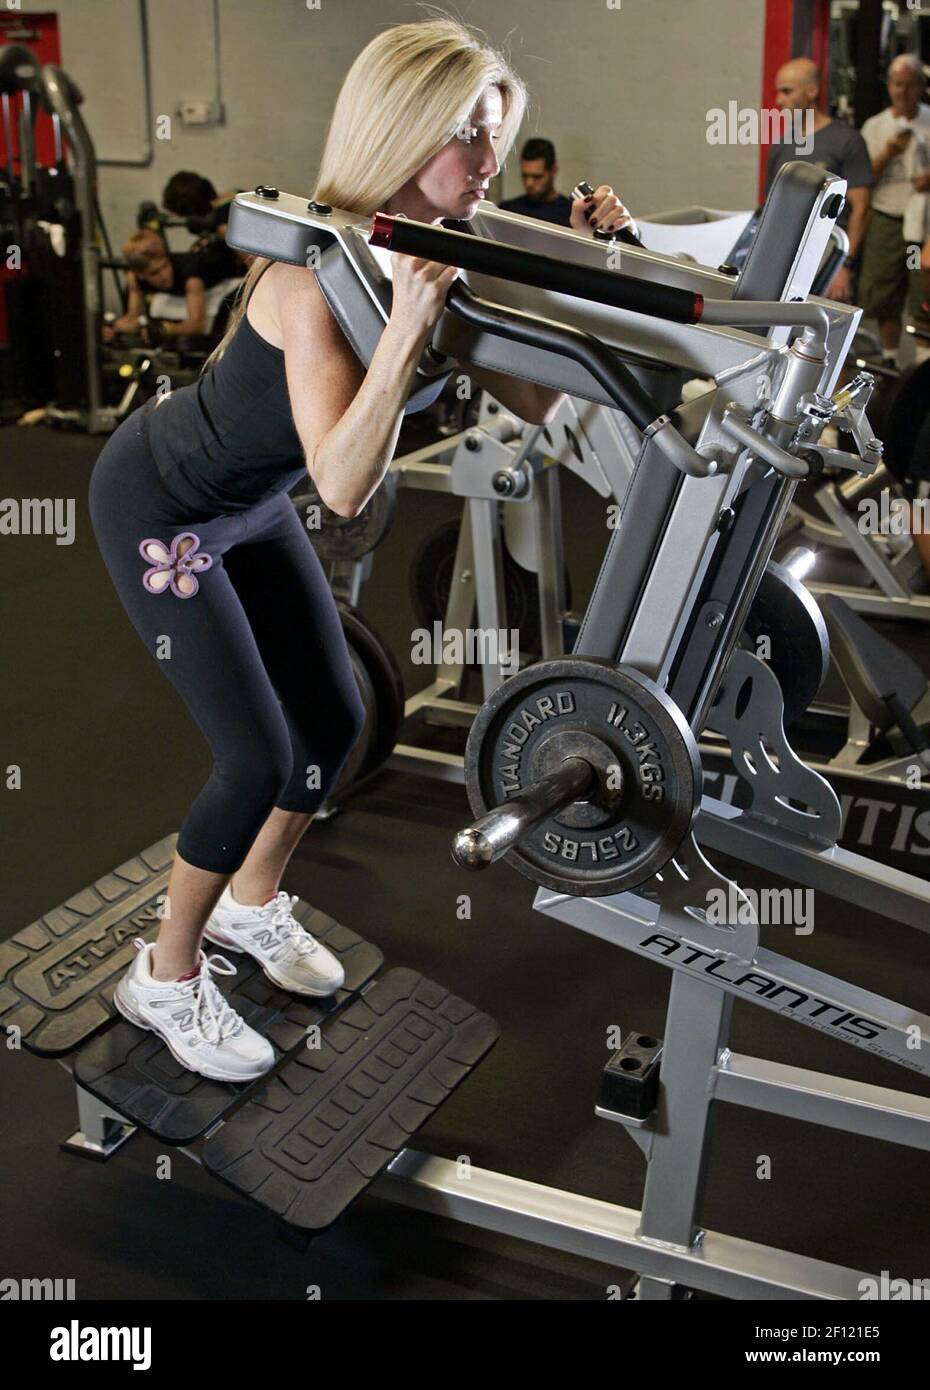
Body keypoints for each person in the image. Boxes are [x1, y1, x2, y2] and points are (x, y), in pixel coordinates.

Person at [89, 16, 630, 1083]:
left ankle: (251, 905)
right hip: (167, 510)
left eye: (495, 135)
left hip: (249, 505)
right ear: (402, 131)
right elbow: (342, 484)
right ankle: (162, 973)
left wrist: (597, 263)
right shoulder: (307, 276)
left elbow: (531, 396)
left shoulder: (440, 253)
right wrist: (407, 335)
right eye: (465, 137)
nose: (486, 164)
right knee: (250, 756)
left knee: (332, 721)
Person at [764, 57, 873, 302]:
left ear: (811, 91)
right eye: (778, 92)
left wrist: (843, 265)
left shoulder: (846, 141)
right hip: (785, 258)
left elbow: (862, 210)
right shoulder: (781, 146)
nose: (779, 100)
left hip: (828, 254)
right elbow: (769, 210)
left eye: (787, 91)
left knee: (822, 333)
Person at [859, 54, 930, 366]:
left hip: (923, 226)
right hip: (887, 220)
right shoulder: (875, 127)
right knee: (884, 292)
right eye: (898, 85)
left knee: (921, 293)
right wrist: (888, 152)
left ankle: (922, 359)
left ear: (921, 87)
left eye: (910, 85)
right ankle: (889, 359)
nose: (903, 92)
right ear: (889, 86)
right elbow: (863, 179)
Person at [104, 228, 243, 342]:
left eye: (165, 266)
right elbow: (132, 317)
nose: (164, 275)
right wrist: (112, 328)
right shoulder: (134, 278)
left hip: (235, 279)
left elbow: (198, 325)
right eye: (154, 273)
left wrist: (164, 329)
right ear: (141, 275)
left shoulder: (191, 276)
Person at [498, 137, 575, 225]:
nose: (529, 183)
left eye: (537, 177)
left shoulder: (571, 215)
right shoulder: (507, 211)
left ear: (553, 171)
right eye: (525, 176)